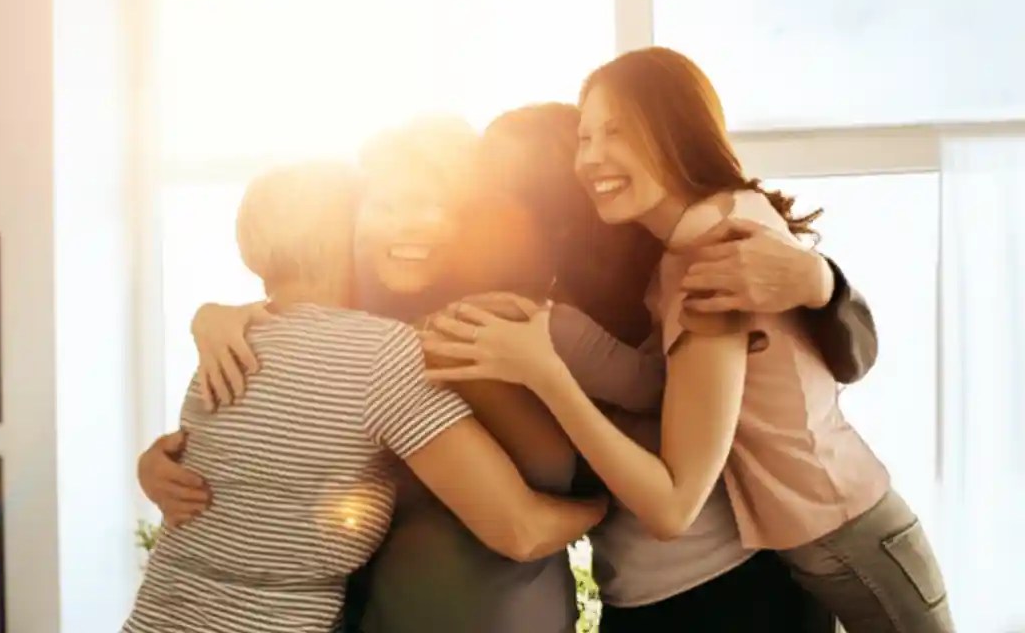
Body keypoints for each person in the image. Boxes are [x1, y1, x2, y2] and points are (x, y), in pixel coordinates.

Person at [140, 107, 881, 632]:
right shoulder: (365, 333)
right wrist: (216, 330)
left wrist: (820, 283)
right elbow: (273, 428)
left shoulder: (547, 320)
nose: (414, 227)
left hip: (580, 606)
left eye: (444, 207)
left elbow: (691, 410)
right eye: (391, 204)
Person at [424, 47, 951, 633]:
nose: (592, 159)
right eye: (585, 139)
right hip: (772, 552)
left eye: (614, 133)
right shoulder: (670, 256)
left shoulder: (705, 245)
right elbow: (664, 392)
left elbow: (673, 495)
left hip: (784, 554)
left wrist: (822, 283)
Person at [123, 161, 607, 633]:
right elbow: (520, 531)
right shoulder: (381, 352)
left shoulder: (228, 344)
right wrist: (607, 509)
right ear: (348, 236)